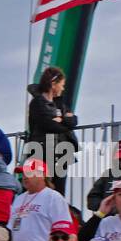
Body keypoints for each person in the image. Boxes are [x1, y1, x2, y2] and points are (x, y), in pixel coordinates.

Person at [24, 65, 79, 199]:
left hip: (61, 154)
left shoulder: (59, 104)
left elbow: (74, 120)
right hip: (42, 152)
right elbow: (48, 124)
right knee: (42, 190)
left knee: (59, 193)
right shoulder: (37, 103)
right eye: (62, 84)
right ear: (53, 83)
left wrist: (61, 120)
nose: (63, 88)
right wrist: (63, 122)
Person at [9, 158, 71, 241]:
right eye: (23, 173)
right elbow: (11, 229)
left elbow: (63, 231)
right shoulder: (18, 199)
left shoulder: (53, 197)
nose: (24, 177)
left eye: (29, 172)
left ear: (42, 175)